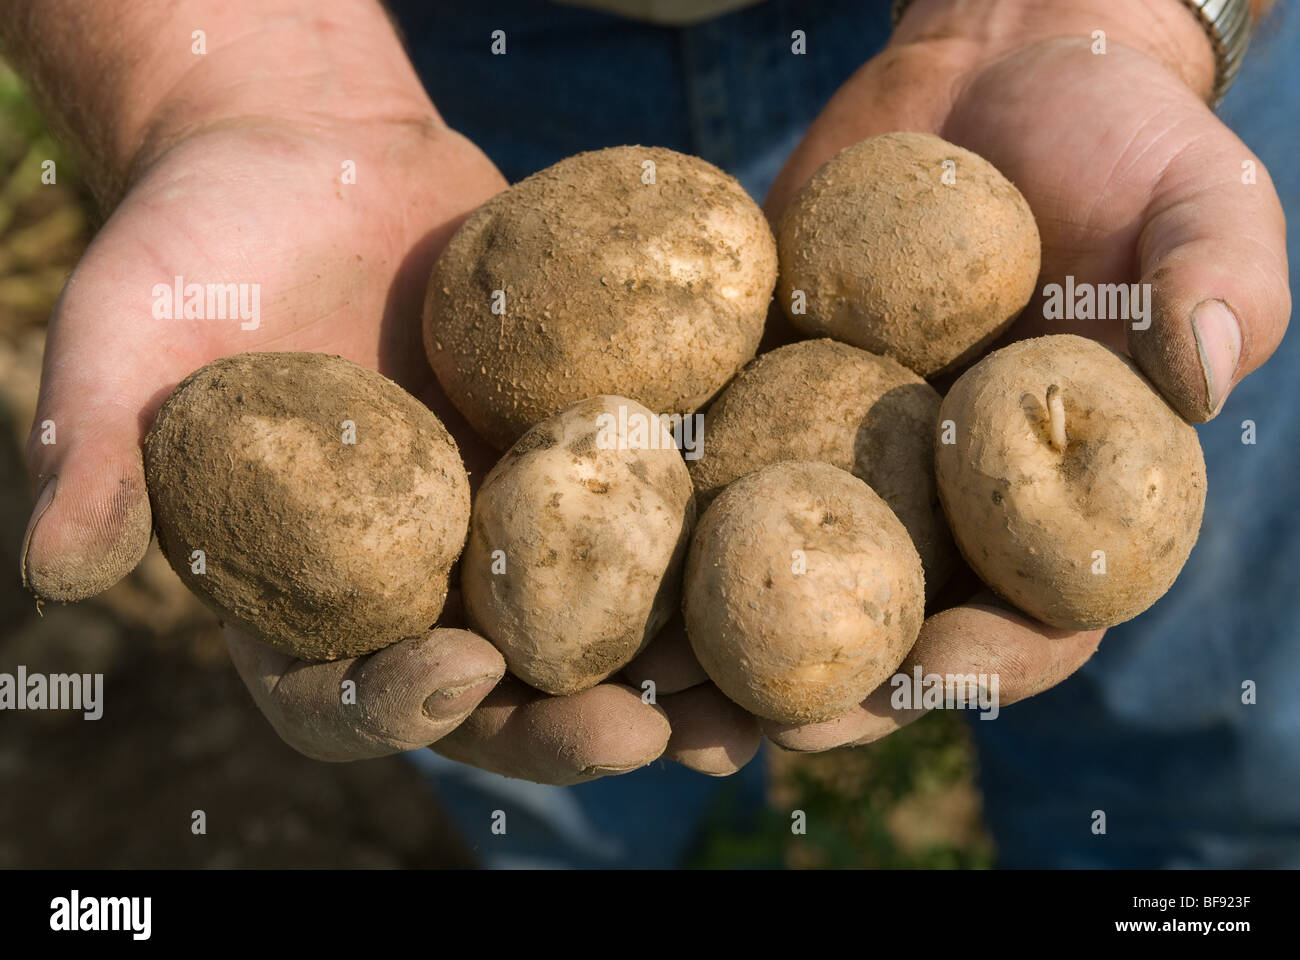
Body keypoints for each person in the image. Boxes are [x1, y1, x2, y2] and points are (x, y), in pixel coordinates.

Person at [3, 0, 1293, 867]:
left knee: (1212, 735)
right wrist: (220, 75)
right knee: (538, 755)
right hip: (406, 54)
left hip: (1008, 42)